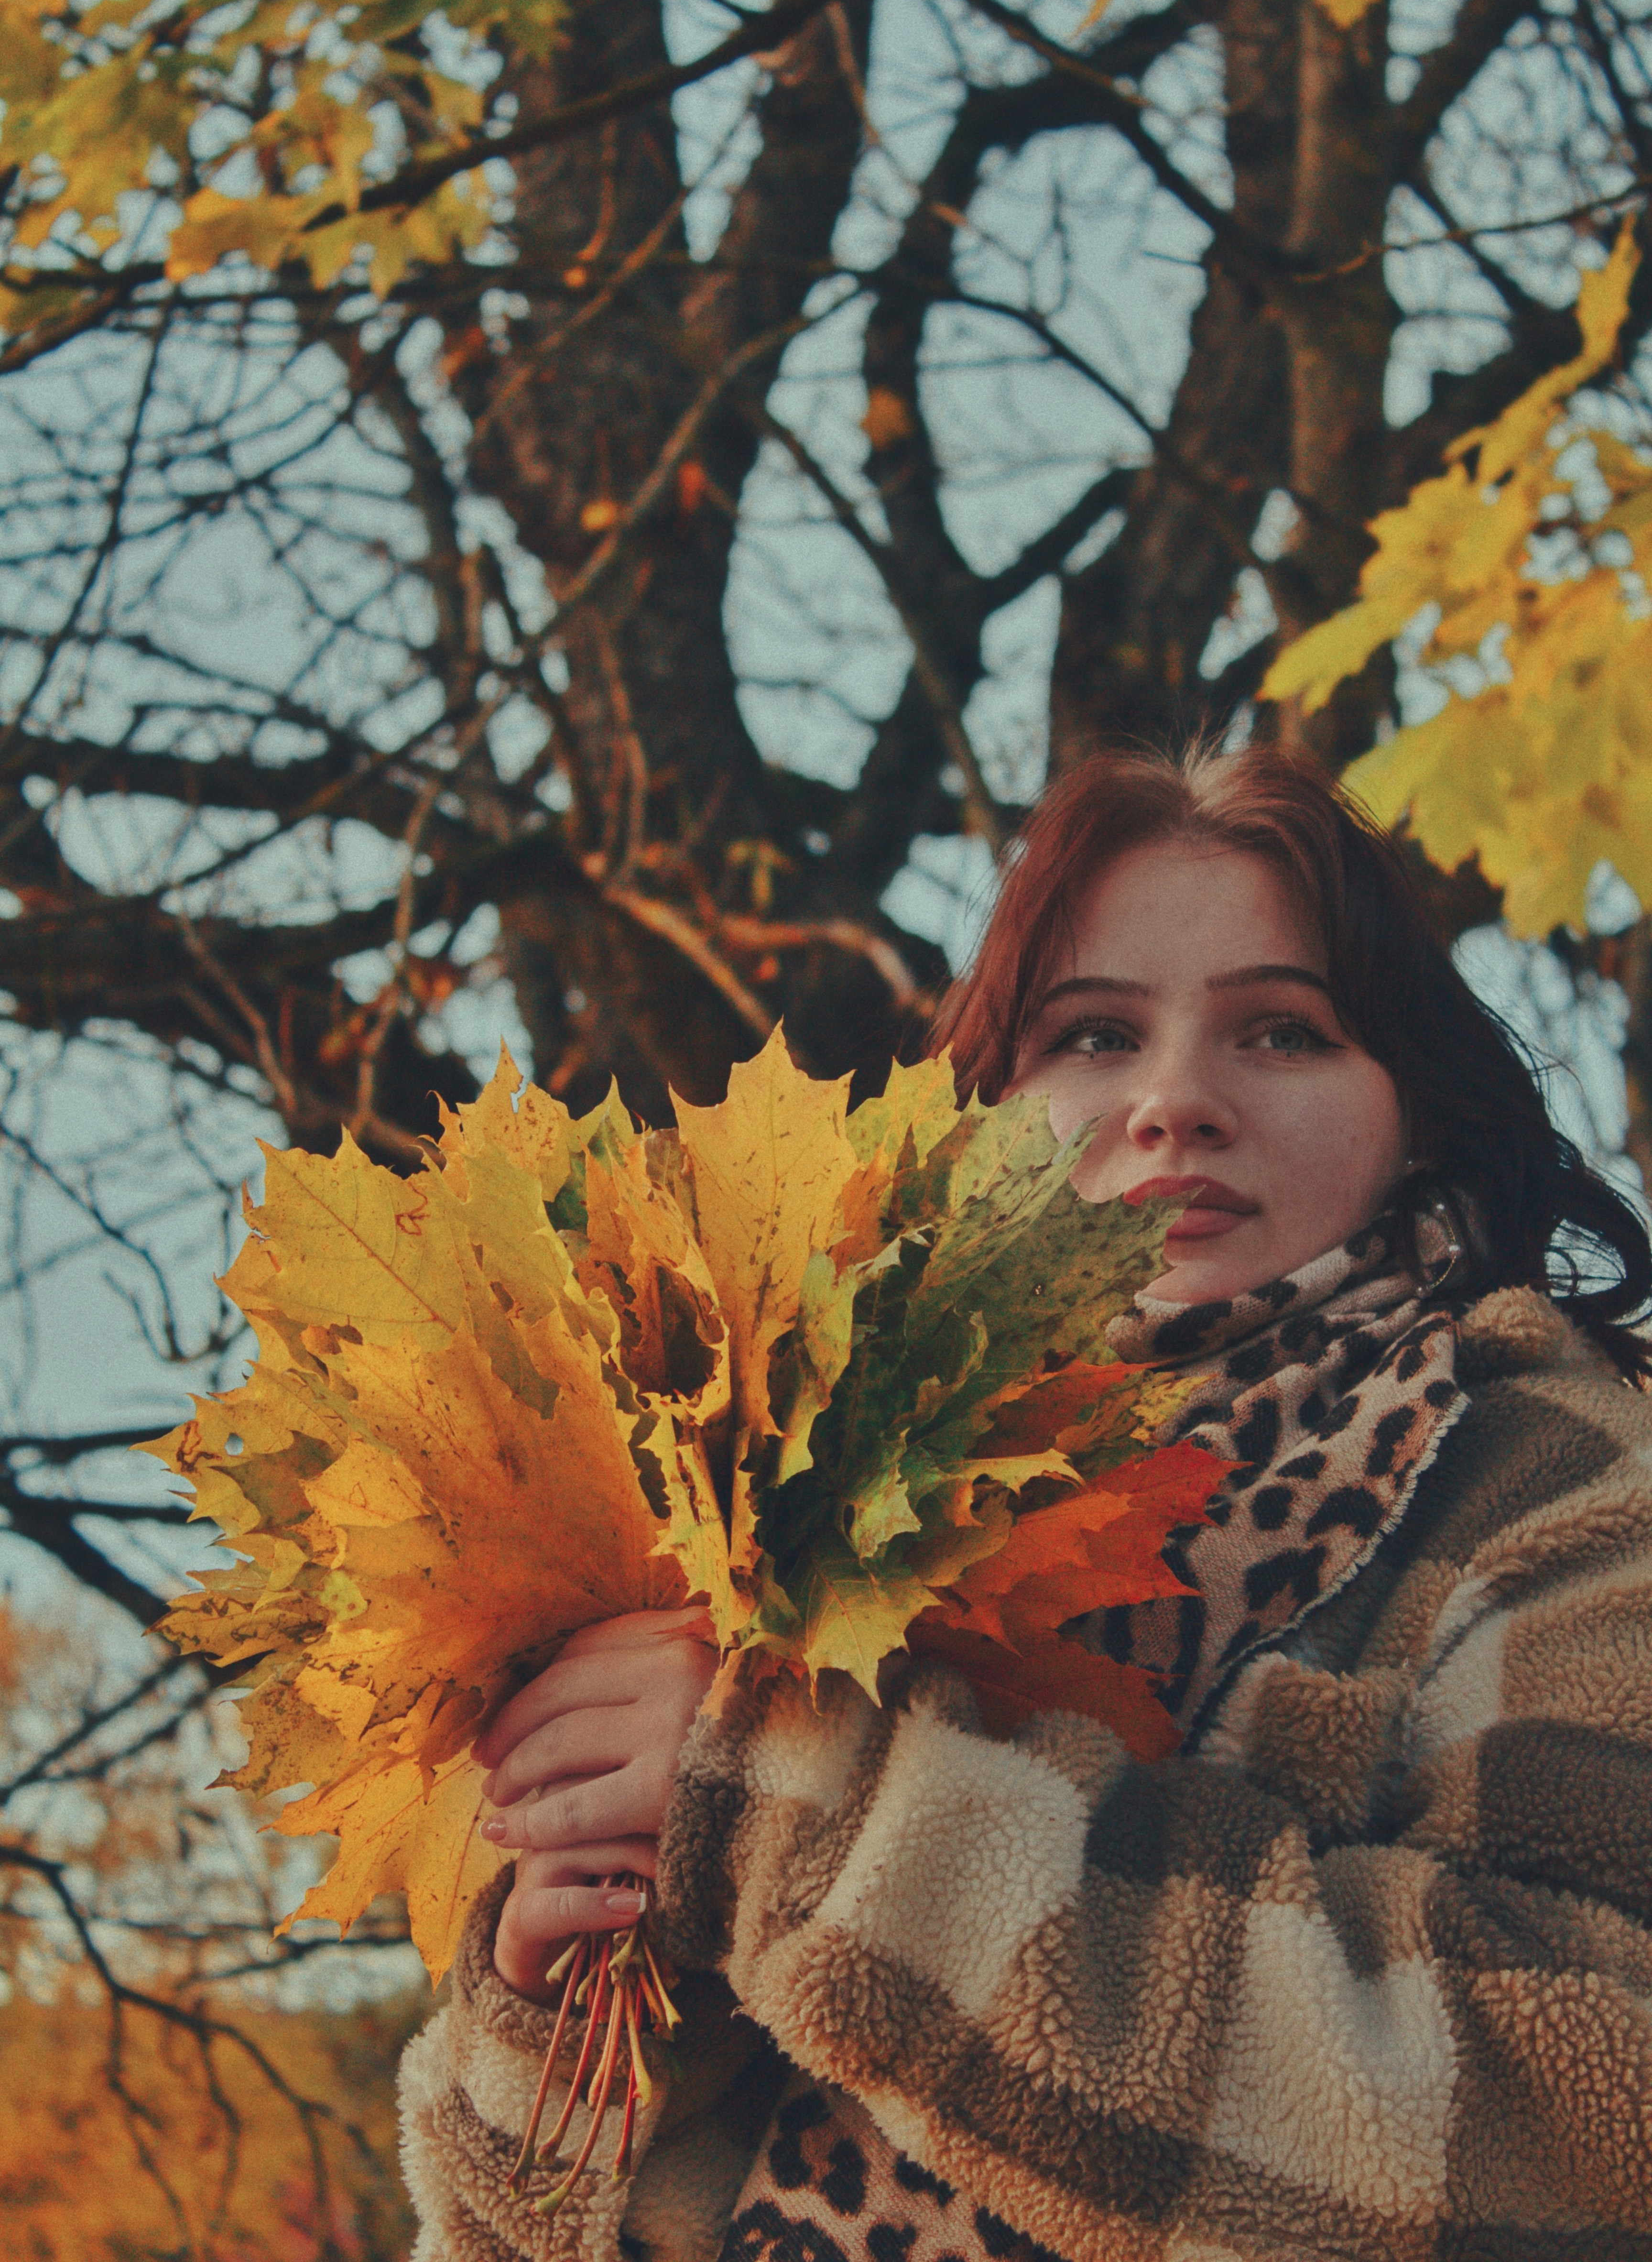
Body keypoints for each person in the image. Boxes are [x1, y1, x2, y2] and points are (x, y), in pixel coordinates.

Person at [398, 743, 1652, 2262]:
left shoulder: (1536, 1468)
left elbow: (1588, 2116)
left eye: (1281, 1030)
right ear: (973, 1130)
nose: (1176, 1100)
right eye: (1094, 1036)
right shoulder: (798, 1513)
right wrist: (551, 2022)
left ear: (1419, 1117)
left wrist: (819, 1804)